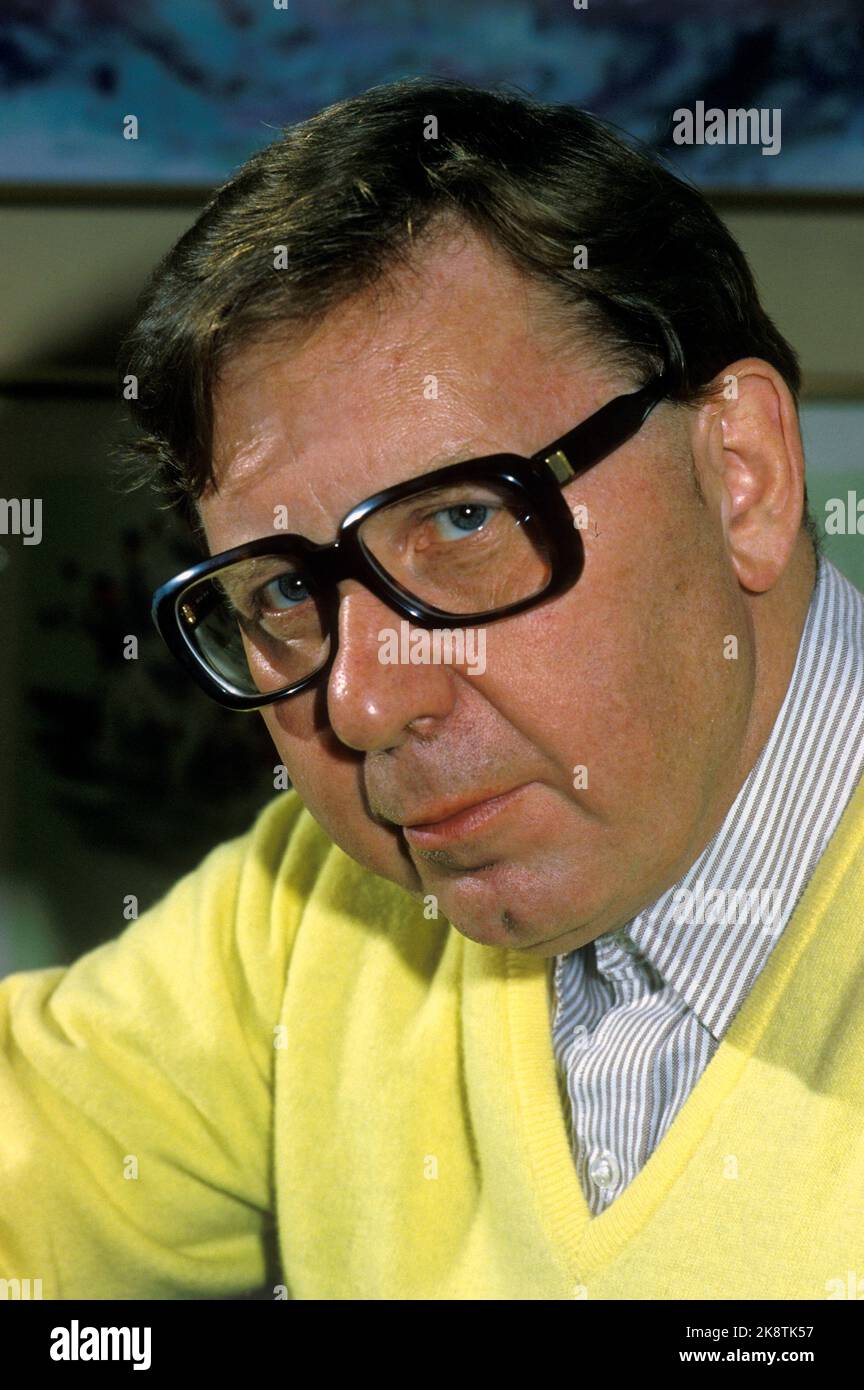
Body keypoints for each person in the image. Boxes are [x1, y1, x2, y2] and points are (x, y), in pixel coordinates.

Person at [1, 77, 862, 1301]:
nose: (357, 708)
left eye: (461, 518)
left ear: (742, 475)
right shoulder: (314, 913)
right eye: (285, 597)